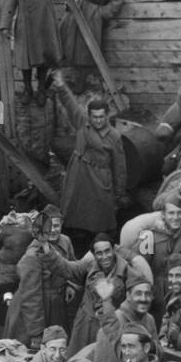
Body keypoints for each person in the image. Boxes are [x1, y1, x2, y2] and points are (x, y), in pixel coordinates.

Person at [53, 77, 127, 240]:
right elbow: (70, 103)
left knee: (100, 211)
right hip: (79, 172)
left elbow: (119, 166)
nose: (98, 120)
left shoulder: (114, 136)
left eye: (101, 117)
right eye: (95, 117)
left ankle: (99, 237)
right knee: (75, 206)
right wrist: (60, 84)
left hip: (100, 176)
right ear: (89, 116)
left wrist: (119, 192)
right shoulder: (82, 122)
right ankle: (76, 232)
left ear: (107, 115)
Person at [62, 235, 153, 354]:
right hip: (85, 324)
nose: (104, 257)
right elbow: (67, 268)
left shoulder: (126, 270)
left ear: (113, 250)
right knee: (79, 360)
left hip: (111, 325)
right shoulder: (89, 265)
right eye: (99, 253)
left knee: (105, 359)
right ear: (94, 255)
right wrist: (47, 250)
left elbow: (142, 289)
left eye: (107, 251)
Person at [2, 205, 77, 347]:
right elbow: (30, 297)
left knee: (57, 346)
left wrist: (70, 285)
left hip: (56, 305)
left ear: (62, 224)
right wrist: (36, 333)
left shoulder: (65, 241)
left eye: (56, 225)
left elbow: (71, 264)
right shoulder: (33, 255)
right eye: (48, 227)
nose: (53, 230)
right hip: (35, 310)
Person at [58, 0, 123, 95]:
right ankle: (60, 79)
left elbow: (117, 0)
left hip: (94, 14)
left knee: (87, 49)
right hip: (78, 8)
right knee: (65, 39)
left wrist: (102, 13)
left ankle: (80, 84)